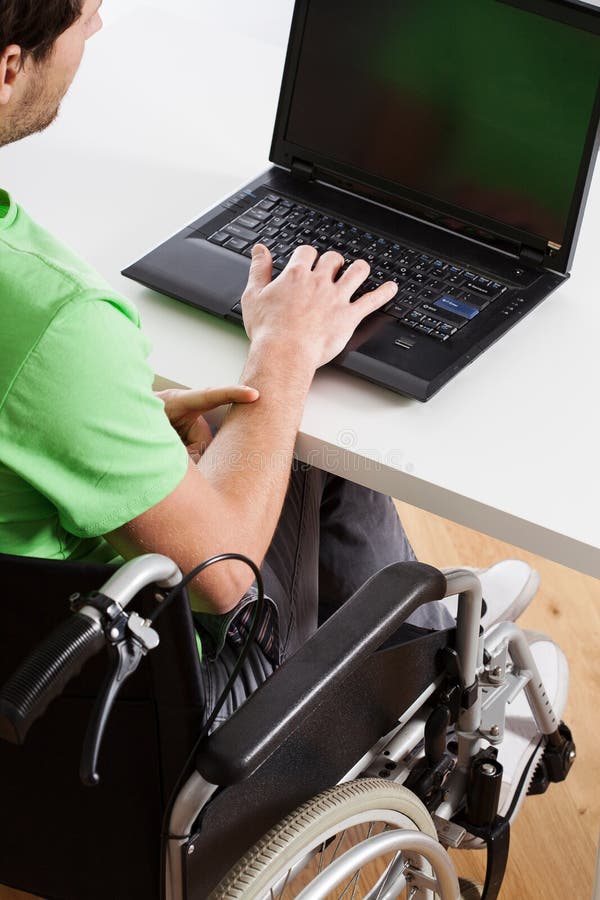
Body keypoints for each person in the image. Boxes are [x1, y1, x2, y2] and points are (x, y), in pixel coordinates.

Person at [0, 0, 537, 712]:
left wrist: (110, 419)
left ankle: (419, 651)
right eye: (87, 15)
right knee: (296, 422)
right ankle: (438, 686)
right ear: (9, 69)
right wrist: (284, 347)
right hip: (112, 704)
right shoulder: (54, 320)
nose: (98, 27)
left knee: (258, 429)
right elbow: (224, 580)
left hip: (25, 668)